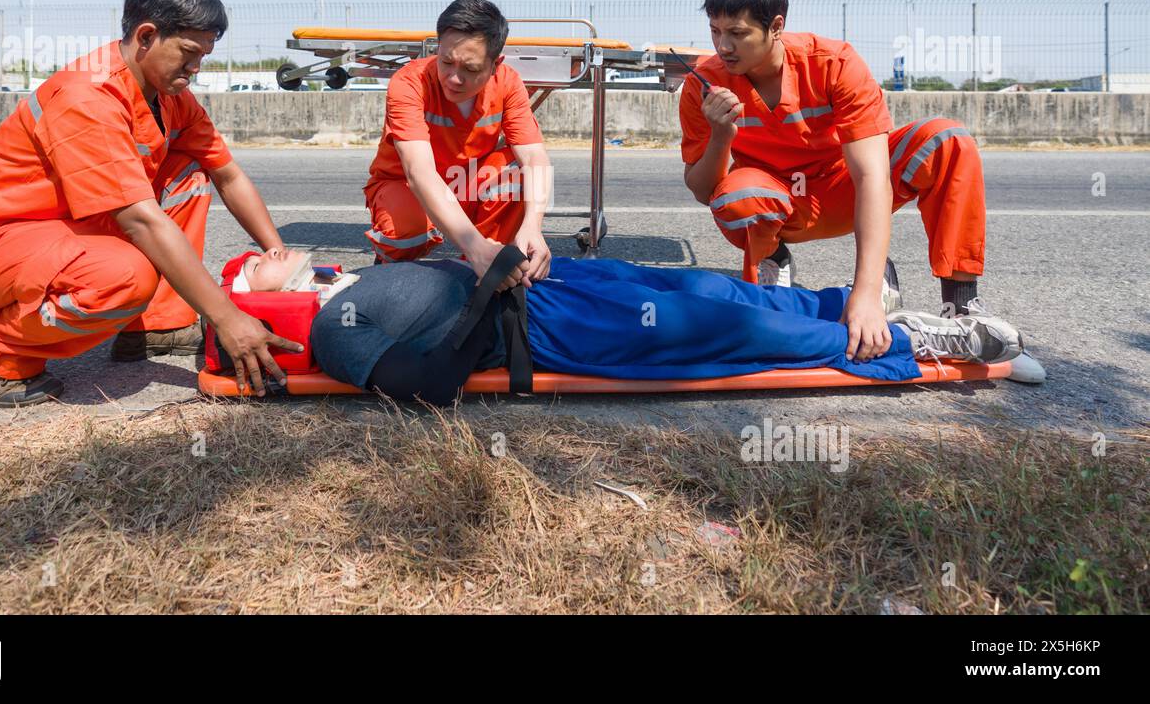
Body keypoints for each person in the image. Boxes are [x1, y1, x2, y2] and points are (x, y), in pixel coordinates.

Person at [0, 0, 301, 407]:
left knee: (187, 174)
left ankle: (158, 324)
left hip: (53, 230)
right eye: (188, 53)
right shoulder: (88, 98)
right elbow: (141, 221)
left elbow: (226, 173)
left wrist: (280, 257)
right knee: (123, 276)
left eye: (204, 57)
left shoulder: (171, 96)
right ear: (146, 36)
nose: (196, 68)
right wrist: (228, 318)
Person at [679, 0, 990, 364]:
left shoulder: (834, 63)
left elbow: (873, 176)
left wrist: (864, 297)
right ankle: (773, 266)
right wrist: (721, 136)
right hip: (778, 201)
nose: (723, 46)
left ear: (776, 27)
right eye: (715, 31)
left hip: (844, 190)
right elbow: (705, 192)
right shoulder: (703, 84)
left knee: (949, 141)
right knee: (739, 195)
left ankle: (962, 313)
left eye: (737, 33)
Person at [310, 255, 1022, 405]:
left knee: (706, 286)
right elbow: (431, 386)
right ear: (256, 296)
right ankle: (912, 343)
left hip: (556, 283)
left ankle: (845, 300)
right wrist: (491, 288)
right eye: (253, 263)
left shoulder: (347, 276)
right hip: (540, 325)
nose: (268, 250)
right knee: (718, 327)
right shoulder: (329, 330)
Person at [363, 0, 552, 290]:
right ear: (438, 49)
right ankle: (394, 273)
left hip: (465, 182)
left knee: (513, 169)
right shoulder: (409, 83)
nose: (454, 78)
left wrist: (533, 227)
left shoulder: (508, 83)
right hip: (405, 185)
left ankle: (480, 271)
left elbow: (535, 159)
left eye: (470, 69)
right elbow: (419, 173)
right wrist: (476, 245)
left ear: (495, 64)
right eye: (446, 62)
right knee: (406, 228)